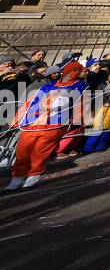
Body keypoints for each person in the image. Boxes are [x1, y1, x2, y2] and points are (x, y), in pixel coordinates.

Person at [5, 60, 86, 191]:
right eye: (71, 70)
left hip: (56, 123)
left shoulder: (80, 87)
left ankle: (34, 175)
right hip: (33, 122)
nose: (73, 73)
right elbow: (31, 102)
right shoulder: (48, 86)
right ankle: (17, 177)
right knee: (22, 150)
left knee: (40, 151)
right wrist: (18, 118)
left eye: (76, 71)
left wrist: (76, 121)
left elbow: (81, 105)